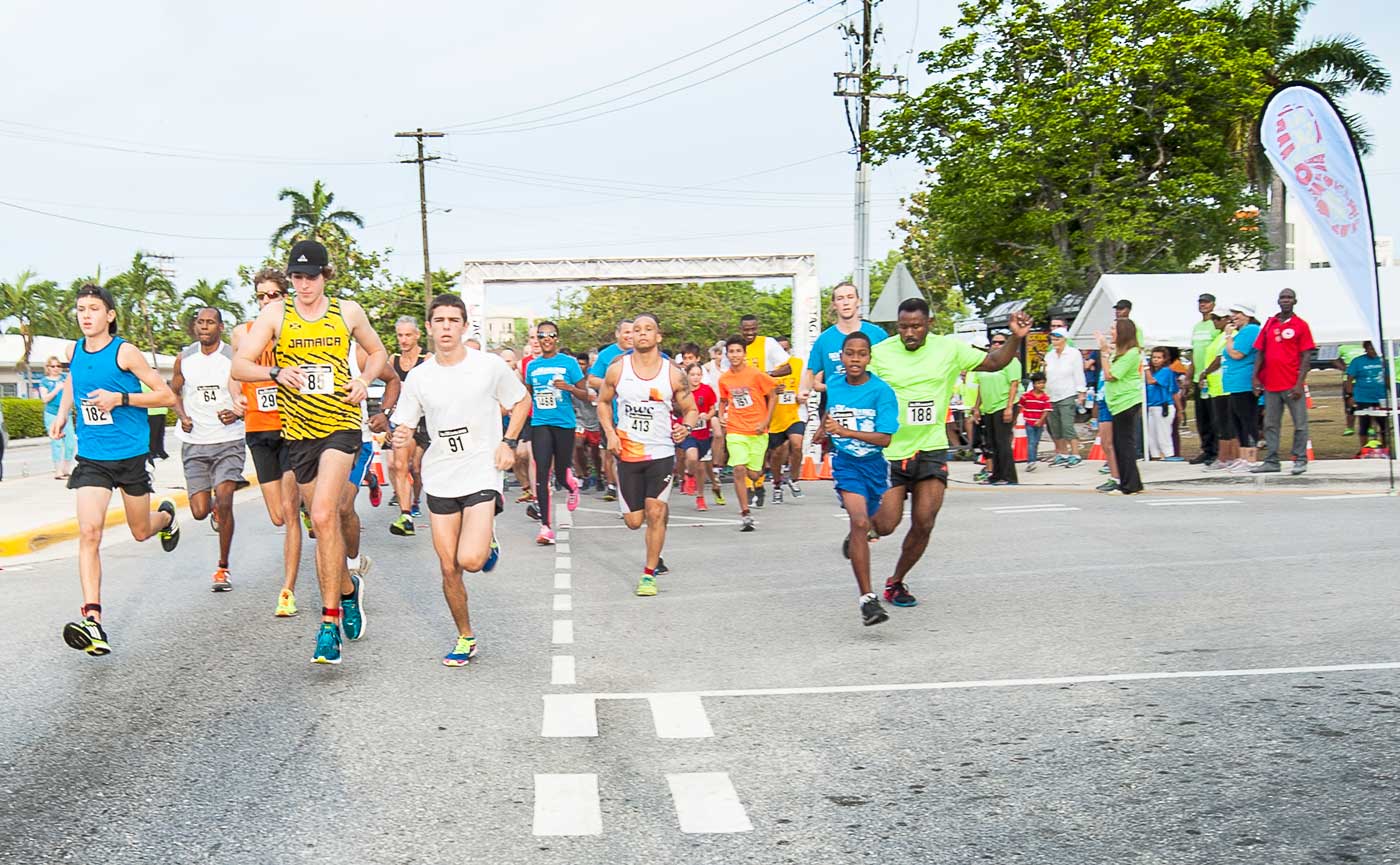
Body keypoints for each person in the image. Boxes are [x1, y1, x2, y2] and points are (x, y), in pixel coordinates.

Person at [231, 239, 388, 666]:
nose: (303, 285)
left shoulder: (347, 312)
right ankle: (349, 590)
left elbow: (378, 352)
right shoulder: (276, 315)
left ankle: (327, 626)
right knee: (322, 525)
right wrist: (275, 371)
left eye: (311, 277)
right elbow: (239, 366)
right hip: (297, 433)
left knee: (322, 514)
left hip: (339, 426)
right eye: (296, 277)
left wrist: (364, 381)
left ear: (325, 276)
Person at [390, 294, 531, 666]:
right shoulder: (419, 377)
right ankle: (465, 636)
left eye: (454, 320)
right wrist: (401, 435)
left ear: (464, 326)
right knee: (448, 566)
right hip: (440, 477)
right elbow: (404, 422)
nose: (447, 327)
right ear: (430, 328)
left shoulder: (487, 367)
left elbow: (521, 401)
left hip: (482, 469)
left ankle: (486, 541)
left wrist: (509, 441)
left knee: (470, 559)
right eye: (440, 321)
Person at [867, 299, 1031, 607]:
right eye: (903, 327)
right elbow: (855, 379)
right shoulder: (882, 352)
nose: (909, 333)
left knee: (925, 521)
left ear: (929, 323)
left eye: (916, 326)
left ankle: (896, 582)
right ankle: (865, 528)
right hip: (891, 450)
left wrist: (1016, 338)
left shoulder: (949, 349)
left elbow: (995, 362)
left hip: (931, 447)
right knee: (887, 524)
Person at [50, 284, 181, 656]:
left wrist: (119, 398)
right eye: (80, 309)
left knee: (141, 531)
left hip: (130, 456)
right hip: (92, 457)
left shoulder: (125, 352)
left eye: (93, 308)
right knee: (89, 532)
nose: (86, 315)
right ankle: (93, 621)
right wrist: (62, 415)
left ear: (109, 315)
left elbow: (167, 396)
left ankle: (166, 518)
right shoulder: (73, 350)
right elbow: (74, 379)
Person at [595, 313, 700, 595]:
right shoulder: (618, 369)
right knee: (633, 522)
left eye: (648, 329)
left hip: (661, 452)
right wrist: (610, 433)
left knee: (655, 511)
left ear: (658, 336)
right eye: (637, 330)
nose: (642, 334)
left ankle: (648, 574)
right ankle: (655, 518)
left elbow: (691, 408)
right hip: (628, 452)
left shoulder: (673, 373)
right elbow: (603, 403)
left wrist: (686, 428)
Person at [229, 269, 304, 617]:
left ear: (285, 296)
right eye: (261, 296)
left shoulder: (296, 331)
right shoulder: (243, 334)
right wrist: (235, 400)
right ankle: (306, 503)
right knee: (277, 516)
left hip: (292, 427)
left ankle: (287, 590)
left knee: (289, 513)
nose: (266, 301)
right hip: (258, 430)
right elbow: (234, 375)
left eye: (273, 295)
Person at [822, 332, 899, 626]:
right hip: (846, 465)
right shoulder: (834, 384)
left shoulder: (882, 392)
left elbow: (885, 439)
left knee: (885, 526)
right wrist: (824, 430)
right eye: (850, 353)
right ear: (842, 357)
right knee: (859, 521)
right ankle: (868, 600)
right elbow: (833, 411)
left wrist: (845, 432)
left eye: (861, 354)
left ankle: (859, 538)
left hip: (875, 467)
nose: (855, 359)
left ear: (869, 358)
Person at [171, 307, 245, 592]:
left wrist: (237, 413)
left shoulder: (232, 358)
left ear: (220, 327)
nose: (204, 327)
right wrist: (182, 416)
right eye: (200, 322)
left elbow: (247, 393)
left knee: (225, 498)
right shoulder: (184, 358)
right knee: (200, 511)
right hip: (195, 443)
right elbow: (173, 391)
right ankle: (213, 511)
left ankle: (222, 568)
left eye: (210, 322)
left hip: (228, 440)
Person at [524, 321, 587, 545]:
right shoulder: (532, 366)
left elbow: (586, 394)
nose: (546, 338)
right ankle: (545, 527)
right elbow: (528, 395)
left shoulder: (569, 363)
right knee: (541, 472)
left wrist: (569, 388)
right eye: (541, 335)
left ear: (557, 338)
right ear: (537, 340)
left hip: (564, 424)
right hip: (541, 423)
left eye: (551, 335)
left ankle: (571, 486)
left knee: (561, 474)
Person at [1252, 288, 1316, 475]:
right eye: (1282, 297)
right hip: (1271, 384)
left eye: (1289, 297)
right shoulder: (1270, 324)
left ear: (1295, 301)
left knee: (1300, 423)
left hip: (1291, 384)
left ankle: (1300, 459)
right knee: (1270, 424)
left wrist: (1299, 383)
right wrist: (1255, 377)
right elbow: (1260, 352)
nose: (1285, 300)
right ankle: (1271, 460)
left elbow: (1306, 357)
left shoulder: (1300, 325)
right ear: (1278, 301)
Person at [718, 334, 779, 529]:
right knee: (738, 469)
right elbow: (724, 399)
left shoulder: (756, 375)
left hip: (758, 430)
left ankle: (760, 478)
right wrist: (721, 415)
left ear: (744, 354)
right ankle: (745, 512)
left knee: (753, 474)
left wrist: (766, 421)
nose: (734, 355)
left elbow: (773, 394)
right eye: (731, 352)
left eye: (738, 351)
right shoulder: (724, 378)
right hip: (736, 429)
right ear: (727, 355)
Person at [799, 281, 888, 405]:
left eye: (850, 297)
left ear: (858, 301)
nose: (846, 303)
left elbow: (892, 367)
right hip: (838, 408)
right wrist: (804, 390)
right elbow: (811, 372)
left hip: (873, 405)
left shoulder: (877, 334)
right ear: (834, 305)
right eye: (840, 299)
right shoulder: (824, 339)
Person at [384, 316, 429, 535]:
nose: (403, 339)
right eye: (400, 335)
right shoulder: (392, 361)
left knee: (416, 467)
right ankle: (406, 514)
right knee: (400, 465)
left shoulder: (427, 359)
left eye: (408, 335)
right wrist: (385, 415)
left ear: (417, 335)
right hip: (402, 420)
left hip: (424, 421)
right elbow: (388, 389)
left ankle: (417, 499)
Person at [587, 319, 635, 502]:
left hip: (640, 415)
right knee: (618, 456)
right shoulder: (607, 355)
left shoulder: (644, 353)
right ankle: (619, 492)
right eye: (626, 332)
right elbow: (592, 380)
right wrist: (614, 384)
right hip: (614, 414)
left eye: (634, 332)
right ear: (618, 334)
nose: (630, 336)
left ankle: (635, 495)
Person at [1097, 319, 1144, 494]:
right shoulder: (1120, 352)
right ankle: (1133, 482)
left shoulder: (1132, 353)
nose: (1111, 332)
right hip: (1117, 403)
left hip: (1126, 402)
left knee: (1124, 444)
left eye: (1114, 329)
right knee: (1121, 444)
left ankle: (1128, 485)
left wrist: (1103, 353)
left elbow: (1111, 375)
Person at [975, 332, 1022, 485]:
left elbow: (1014, 384)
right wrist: (976, 407)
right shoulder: (987, 362)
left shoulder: (1011, 362)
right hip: (988, 407)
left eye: (1001, 343)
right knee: (992, 443)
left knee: (1002, 442)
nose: (997, 345)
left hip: (1003, 404)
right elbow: (980, 386)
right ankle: (996, 474)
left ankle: (1008, 476)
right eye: (994, 342)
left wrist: (1009, 408)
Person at [1041, 329, 1086, 466]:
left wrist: (1081, 392)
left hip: (1067, 393)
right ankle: (1062, 453)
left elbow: (1078, 373)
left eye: (1057, 339)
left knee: (1067, 425)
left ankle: (1075, 454)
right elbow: (1044, 374)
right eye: (1053, 339)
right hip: (1051, 394)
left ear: (1065, 339)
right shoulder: (1049, 355)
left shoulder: (1073, 354)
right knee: (1055, 426)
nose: (1055, 342)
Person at [680, 362, 720, 510]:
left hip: (703, 433)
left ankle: (700, 497)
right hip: (688, 432)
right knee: (692, 456)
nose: (696, 378)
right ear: (687, 376)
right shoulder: (682, 392)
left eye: (698, 375)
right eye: (692, 375)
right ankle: (689, 475)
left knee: (702, 467)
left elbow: (712, 410)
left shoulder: (707, 390)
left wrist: (706, 416)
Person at [767, 354, 806, 503]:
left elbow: (807, 380)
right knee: (777, 454)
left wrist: (803, 394)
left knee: (797, 444)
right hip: (776, 418)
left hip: (795, 414)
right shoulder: (767, 368)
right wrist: (772, 393)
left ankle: (794, 479)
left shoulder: (797, 363)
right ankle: (777, 486)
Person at [1189, 294, 1221, 463]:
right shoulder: (1197, 327)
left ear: (1213, 304)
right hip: (1197, 378)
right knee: (1202, 417)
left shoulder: (1215, 325)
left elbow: (1219, 353)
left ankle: (1216, 451)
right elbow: (1195, 353)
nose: (1203, 305)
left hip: (1211, 377)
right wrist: (1189, 376)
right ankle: (1206, 449)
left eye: (1206, 302)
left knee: (1214, 415)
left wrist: (1207, 372)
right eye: (1200, 302)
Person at [1346, 341, 1389, 454]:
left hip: (1381, 398)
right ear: (1366, 349)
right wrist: (1350, 395)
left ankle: (1385, 448)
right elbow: (1349, 379)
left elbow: (1388, 378)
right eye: (1370, 349)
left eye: (1375, 349)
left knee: (1383, 424)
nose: (1373, 351)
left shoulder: (1383, 361)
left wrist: (1392, 394)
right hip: (1363, 398)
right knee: (1364, 424)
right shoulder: (1358, 361)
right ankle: (1364, 448)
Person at [39, 356, 77, 478]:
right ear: (48, 368)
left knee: (70, 442)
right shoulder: (44, 381)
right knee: (56, 442)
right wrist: (56, 389)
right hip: (52, 413)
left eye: (58, 366)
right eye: (53, 366)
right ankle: (58, 470)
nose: (56, 369)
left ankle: (67, 468)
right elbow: (45, 399)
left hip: (66, 413)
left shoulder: (65, 379)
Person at [571, 351, 603, 490]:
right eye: (578, 364)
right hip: (579, 420)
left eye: (583, 364)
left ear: (587, 365)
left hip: (594, 420)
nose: (580, 366)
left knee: (595, 453)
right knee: (578, 446)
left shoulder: (593, 381)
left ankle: (599, 476)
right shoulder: (571, 381)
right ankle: (584, 475)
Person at [1144, 348, 1179, 460]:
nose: (1155, 360)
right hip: (1152, 406)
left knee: (1163, 433)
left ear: (1164, 359)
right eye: (1154, 357)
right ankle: (1156, 455)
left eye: (1159, 358)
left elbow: (1152, 381)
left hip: (1162, 406)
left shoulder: (1165, 371)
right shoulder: (1153, 372)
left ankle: (1168, 454)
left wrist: (1145, 369)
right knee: (1152, 435)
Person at [1018, 372, 1051, 471]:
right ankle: (1031, 461)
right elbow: (1021, 405)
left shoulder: (1045, 397)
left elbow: (1046, 411)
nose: (1041, 385)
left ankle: (1033, 460)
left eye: (1043, 383)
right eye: (1038, 383)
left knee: (1036, 442)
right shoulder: (1026, 396)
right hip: (1029, 422)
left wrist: (1041, 421)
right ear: (1033, 384)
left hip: (1039, 424)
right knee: (1031, 442)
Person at [1335, 342, 1366, 437]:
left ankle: (1370, 427)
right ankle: (1350, 427)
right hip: (1349, 380)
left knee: (1367, 404)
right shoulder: (1343, 346)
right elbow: (1334, 358)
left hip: (1364, 379)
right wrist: (1344, 368)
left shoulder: (1365, 345)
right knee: (1350, 404)